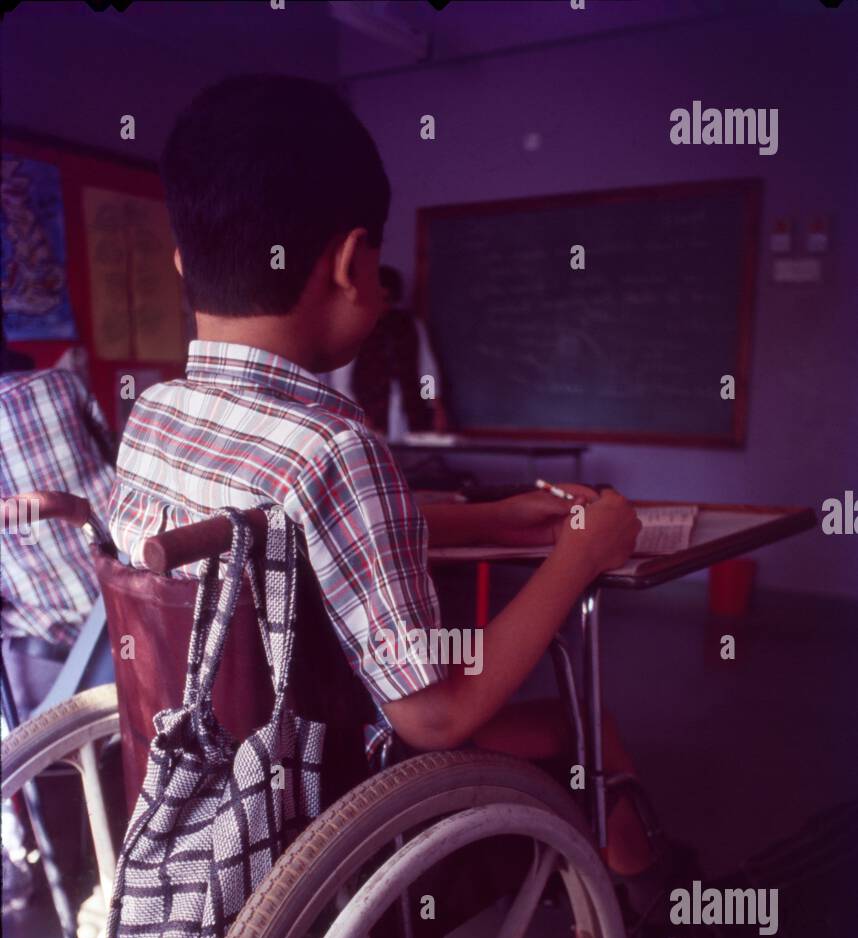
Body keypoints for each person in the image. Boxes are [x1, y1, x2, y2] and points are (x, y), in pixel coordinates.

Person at [108, 74, 658, 893]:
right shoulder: (334, 447)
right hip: (335, 808)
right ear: (349, 265)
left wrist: (497, 519)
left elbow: (286, 540)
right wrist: (578, 554)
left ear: (185, 263)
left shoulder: (154, 416)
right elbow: (436, 717)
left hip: (204, 790)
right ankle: (644, 921)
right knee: (589, 728)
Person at [1, 352, 116, 911]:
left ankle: (63, 885)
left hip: (45, 666)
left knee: (42, 763)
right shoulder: (62, 385)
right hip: (121, 621)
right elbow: (117, 466)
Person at [323, 265, 443, 440]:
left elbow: (427, 372)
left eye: (387, 298)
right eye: (377, 297)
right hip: (370, 416)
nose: (382, 304)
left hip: (411, 413)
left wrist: (435, 405)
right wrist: (359, 415)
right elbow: (342, 382)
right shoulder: (355, 328)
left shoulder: (411, 325)